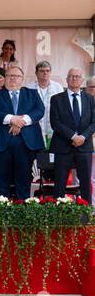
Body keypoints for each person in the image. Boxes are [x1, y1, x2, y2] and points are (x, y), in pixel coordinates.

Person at [0, 65, 44, 200]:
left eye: (16, 76)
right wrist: (11, 119)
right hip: (1, 144)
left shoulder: (32, 94)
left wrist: (21, 121)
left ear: (22, 79)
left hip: (25, 143)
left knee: (23, 179)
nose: (13, 79)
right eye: (10, 76)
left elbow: (40, 111)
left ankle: (21, 211)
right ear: (5, 79)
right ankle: (2, 214)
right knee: (1, 180)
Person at [50, 68, 94, 201]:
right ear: (67, 79)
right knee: (60, 184)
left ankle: (86, 214)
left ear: (82, 80)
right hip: (63, 147)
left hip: (84, 147)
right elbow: (55, 123)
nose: (74, 78)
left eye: (77, 76)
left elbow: (93, 122)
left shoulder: (90, 99)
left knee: (86, 183)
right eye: (71, 76)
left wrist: (83, 137)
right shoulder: (56, 99)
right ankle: (58, 215)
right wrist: (73, 137)